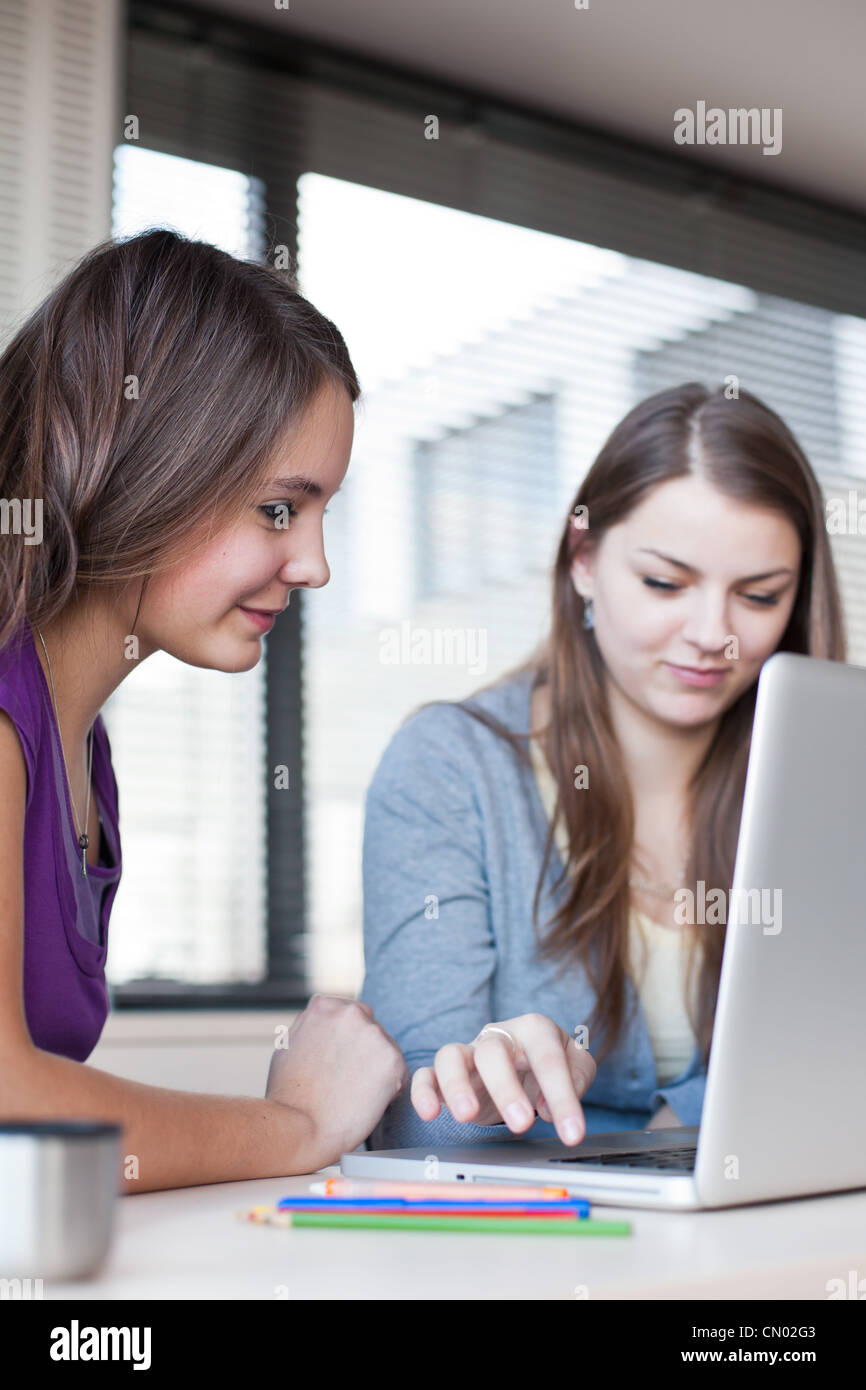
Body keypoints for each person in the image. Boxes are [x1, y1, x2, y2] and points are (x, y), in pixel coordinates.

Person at [0, 228, 407, 1194]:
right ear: (146, 466)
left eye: (320, 516)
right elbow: (9, 1106)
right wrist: (297, 1126)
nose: (314, 565)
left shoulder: (80, 746)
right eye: (279, 509)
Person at [361, 381, 847, 1150]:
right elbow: (421, 1122)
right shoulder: (450, 768)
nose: (712, 635)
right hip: (534, 1243)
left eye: (758, 596)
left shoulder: (826, 776)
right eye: (665, 583)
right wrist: (493, 1088)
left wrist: (673, 1128)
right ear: (583, 560)